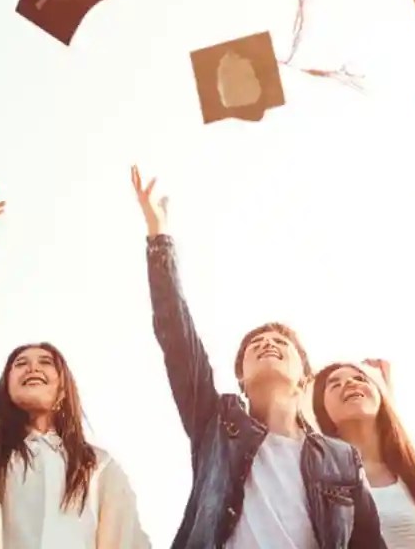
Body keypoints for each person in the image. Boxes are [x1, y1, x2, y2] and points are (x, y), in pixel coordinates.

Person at [130, 166, 386, 549]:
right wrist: (159, 237)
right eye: (255, 345)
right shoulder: (216, 425)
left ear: (304, 376)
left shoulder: (341, 459)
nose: (267, 345)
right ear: (242, 380)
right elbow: (178, 340)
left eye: (281, 343)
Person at [0, 186, 150, 548]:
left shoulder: (98, 466)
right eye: (19, 363)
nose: (31, 368)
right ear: (6, 384)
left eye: (45, 363)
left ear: (63, 385)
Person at [312, 359, 415, 549]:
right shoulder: (319, 482)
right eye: (334, 384)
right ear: (322, 410)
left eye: (359, 378)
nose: (349, 383)